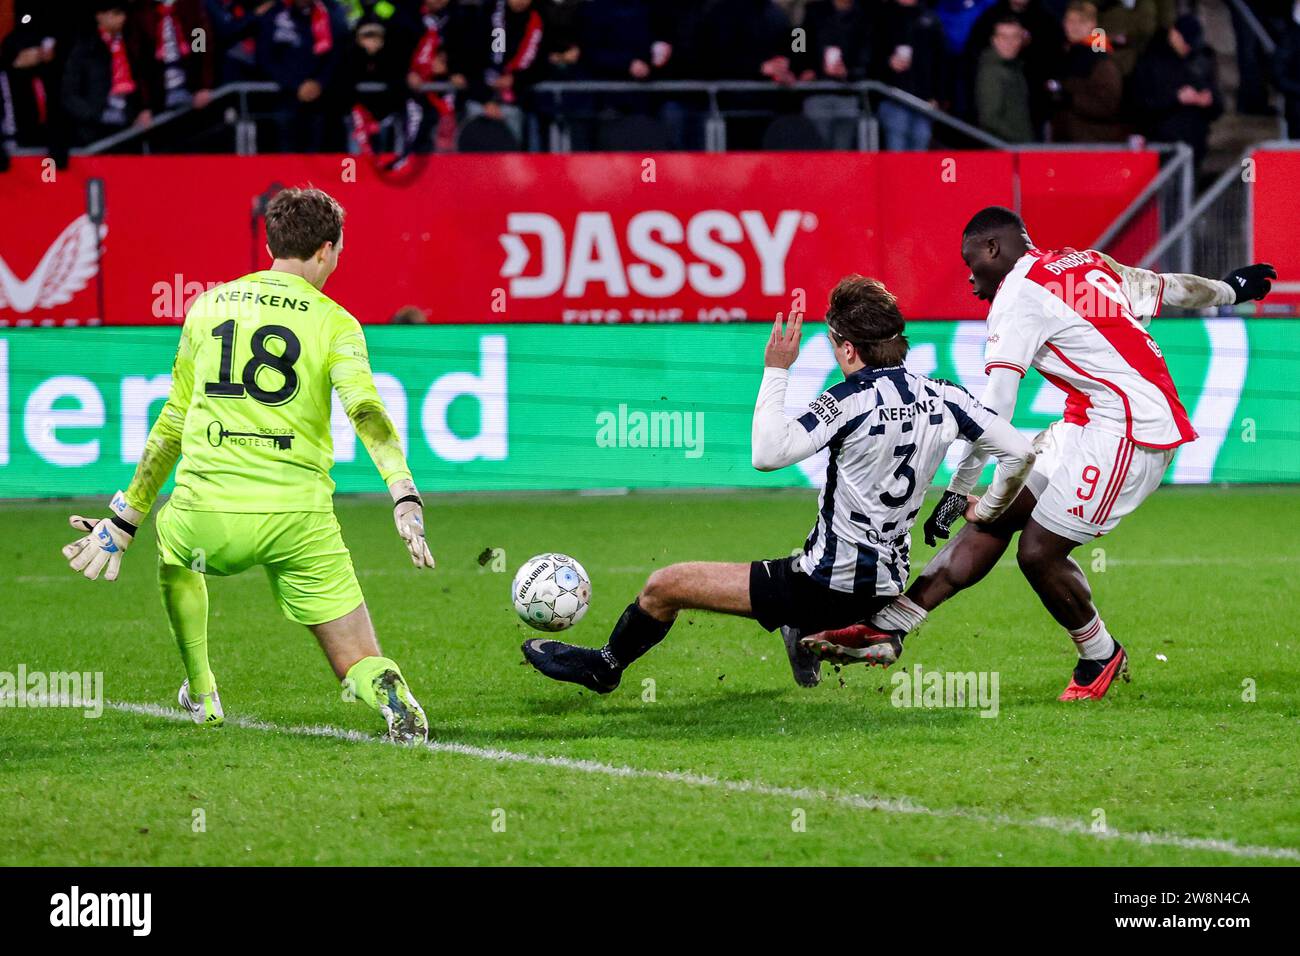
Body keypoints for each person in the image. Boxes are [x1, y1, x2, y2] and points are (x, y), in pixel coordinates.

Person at [799, 207, 1276, 701]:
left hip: (1131, 431)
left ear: (993, 249)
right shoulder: (1081, 263)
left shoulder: (1017, 296)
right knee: (993, 523)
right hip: (1087, 420)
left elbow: (994, 414)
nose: (969, 277)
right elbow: (1166, 287)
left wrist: (963, 491)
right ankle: (889, 627)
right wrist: (1232, 290)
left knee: (1038, 552)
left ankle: (1100, 653)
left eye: (971, 262)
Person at [522, 277, 1036, 694]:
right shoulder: (944, 395)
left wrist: (776, 370)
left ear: (848, 347)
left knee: (664, 587)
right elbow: (1017, 451)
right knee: (803, 557)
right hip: (885, 585)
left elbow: (767, 454)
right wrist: (974, 502)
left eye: (834, 343)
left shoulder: (848, 400)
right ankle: (808, 631)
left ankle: (604, 668)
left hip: (825, 586)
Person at [60, 187, 436, 742]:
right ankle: (383, 686)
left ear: (270, 242)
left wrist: (125, 517)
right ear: (328, 250)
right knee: (356, 653)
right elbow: (366, 411)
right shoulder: (337, 323)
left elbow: (171, 423)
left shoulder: (207, 307)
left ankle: (203, 688)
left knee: (173, 546)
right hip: (297, 518)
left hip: (206, 515)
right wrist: (403, 491)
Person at [1130, 14, 1222, 168]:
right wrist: (1176, 98)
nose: (1188, 47)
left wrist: (1208, 101)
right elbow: (1139, 104)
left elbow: (1218, 106)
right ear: (1174, 34)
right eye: (1185, 41)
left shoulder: (1202, 59)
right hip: (1162, 148)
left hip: (1194, 148)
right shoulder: (1151, 61)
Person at [62, 1, 153, 146]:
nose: (122, 18)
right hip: (95, 133)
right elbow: (69, 93)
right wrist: (93, 115)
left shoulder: (131, 43)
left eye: (123, 13)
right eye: (116, 13)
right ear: (100, 16)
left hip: (129, 128)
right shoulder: (83, 48)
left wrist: (143, 108)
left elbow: (143, 79)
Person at [1050, 0, 1125, 143]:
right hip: (1066, 141)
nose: (1074, 26)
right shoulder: (1066, 54)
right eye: (1070, 21)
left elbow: (1108, 105)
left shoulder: (1102, 59)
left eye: (1081, 21)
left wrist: (1070, 99)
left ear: (1093, 25)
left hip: (1093, 142)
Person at [975, 16, 1035, 142]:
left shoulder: (1015, 68)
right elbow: (989, 118)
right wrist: (1021, 141)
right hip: (1003, 151)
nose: (1010, 42)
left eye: (1015, 37)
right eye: (1004, 37)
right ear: (994, 40)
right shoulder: (991, 72)